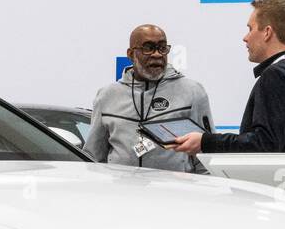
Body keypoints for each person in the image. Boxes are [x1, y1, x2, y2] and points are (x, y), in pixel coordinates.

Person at [172, 0, 285, 157]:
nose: (245, 37)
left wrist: (205, 142)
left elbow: (263, 145)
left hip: (269, 181)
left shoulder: (276, 75)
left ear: (267, 32)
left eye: (250, 28)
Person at [84, 24, 213, 173]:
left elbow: (206, 154)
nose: (157, 54)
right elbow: (94, 156)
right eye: (148, 48)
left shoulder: (193, 91)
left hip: (176, 191)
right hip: (122, 192)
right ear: (131, 54)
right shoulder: (107, 95)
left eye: (162, 48)